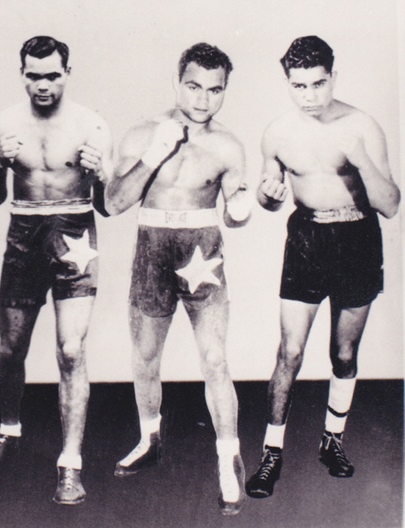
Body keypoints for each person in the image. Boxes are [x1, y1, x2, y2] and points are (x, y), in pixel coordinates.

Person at [245, 36, 400, 499]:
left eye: (318, 84)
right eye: (299, 86)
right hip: (308, 238)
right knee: (289, 352)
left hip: (357, 237)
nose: (309, 96)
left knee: (344, 355)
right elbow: (267, 194)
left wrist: (361, 161)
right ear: (287, 82)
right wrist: (267, 197)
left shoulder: (362, 126)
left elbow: (390, 205)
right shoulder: (276, 132)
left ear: (334, 77)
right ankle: (272, 451)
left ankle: (332, 440)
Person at [106, 43, 252, 515]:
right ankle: (150, 438)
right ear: (177, 81)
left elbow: (236, 212)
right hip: (152, 245)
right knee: (146, 356)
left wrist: (242, 206)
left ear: (224, 91)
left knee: (214, 359)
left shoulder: (228, 145)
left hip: (202, 250)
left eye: (215, 90)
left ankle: (228, 459)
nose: (203, 100)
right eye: (194, 86)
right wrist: (154, 155)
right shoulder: (143, 133)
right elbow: (114, 203)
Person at [0, 35, 112, 506]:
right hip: (24, 234)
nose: (43, 84)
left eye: (52, 74)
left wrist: (102, 175)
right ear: (22, 74)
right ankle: (8, 428)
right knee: (11, 348)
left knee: (71, 350)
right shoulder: (4, 122)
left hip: (75, 232)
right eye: (34, 75)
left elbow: (109, 207)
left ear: (67, 73)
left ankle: (70, 464)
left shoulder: (92, 124)